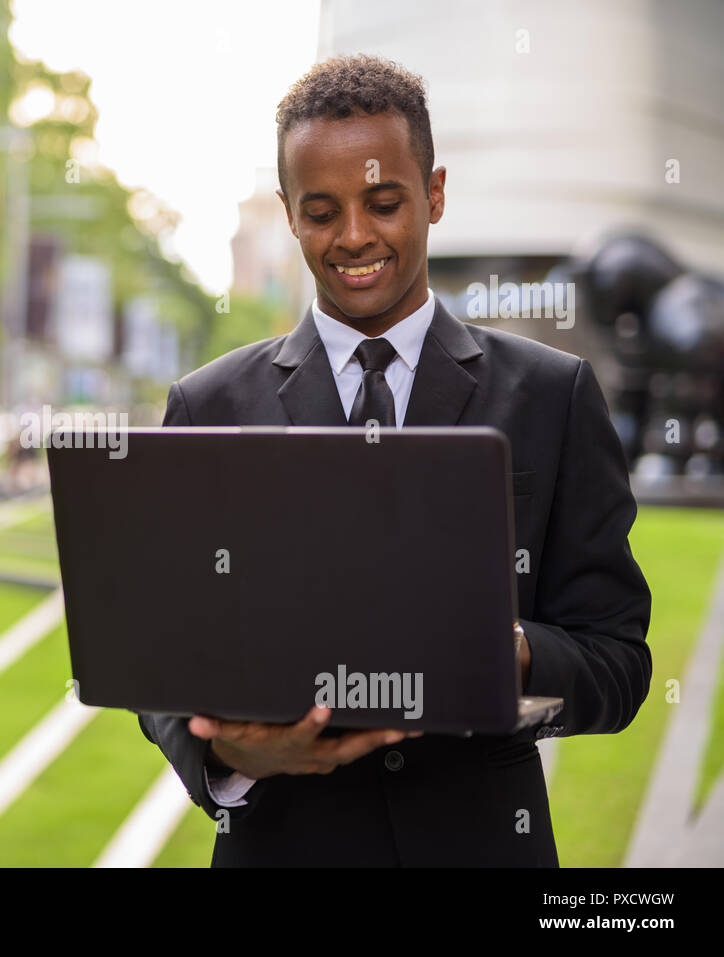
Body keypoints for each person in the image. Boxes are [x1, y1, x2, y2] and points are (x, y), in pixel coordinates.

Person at [138, 54, 652, 867]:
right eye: (320, 211)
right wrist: (234, 757)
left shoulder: (555, 394)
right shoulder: (209, 407)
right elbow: (158, 659)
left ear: (435, 194)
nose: (353, 237)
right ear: (287, 215)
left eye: (384, 202)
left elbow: (620, 661)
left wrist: (510, 652)